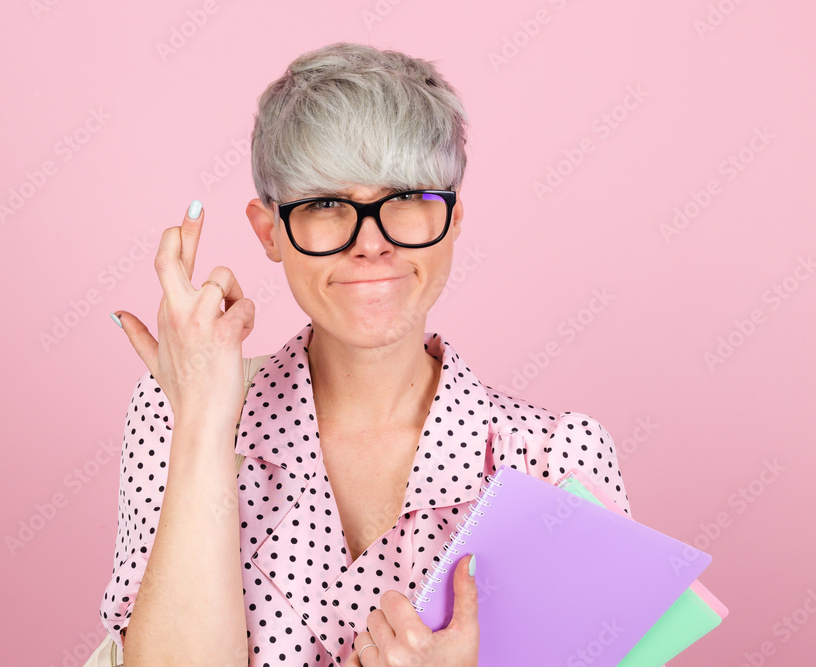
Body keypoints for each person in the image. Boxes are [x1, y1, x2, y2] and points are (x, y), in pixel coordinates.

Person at [100, 41, 630, 667]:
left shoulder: (555, 459)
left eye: (406, 197)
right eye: (326, 204)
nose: (371, 244)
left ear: (454, 218)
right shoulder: (178, 411)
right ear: (269, 231)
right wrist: (203, 421)